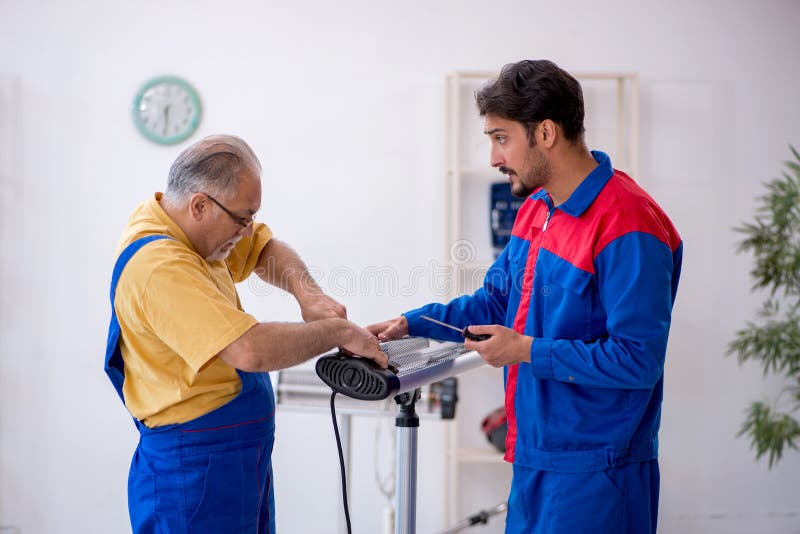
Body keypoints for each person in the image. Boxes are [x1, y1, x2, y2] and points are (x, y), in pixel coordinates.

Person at [369, 60, 682, 533]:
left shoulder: (628, 222)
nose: (494, 158)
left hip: (598, 472)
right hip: (532, 459)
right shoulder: (537, 209)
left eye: (501, 138)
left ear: (546, 133)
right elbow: (497, 302)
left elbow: (638, 360)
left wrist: (526, 350)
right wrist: (411, 324)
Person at [104, 134, 387, 533]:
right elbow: (248, 350)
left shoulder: (188, 226)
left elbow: (263, 248)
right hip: (193, 473)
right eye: (241, 218)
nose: (247, 229)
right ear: (199, 205)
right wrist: (336, 332)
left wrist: (309, 294)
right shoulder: (159, 267)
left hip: (234, 459)